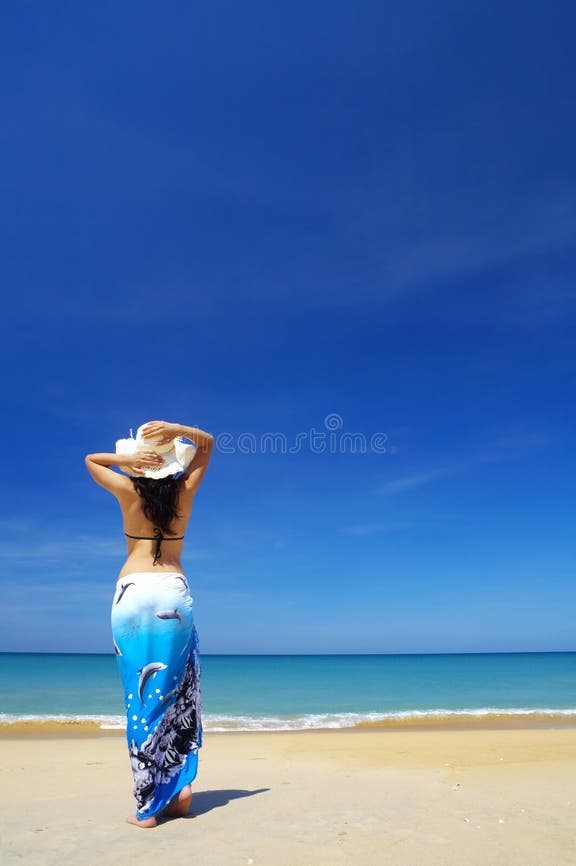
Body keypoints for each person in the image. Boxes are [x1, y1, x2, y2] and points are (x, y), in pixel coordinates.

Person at [85, 419, 214, 828]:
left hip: (133, 593)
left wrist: (126, 460)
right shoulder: (185, 493)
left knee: (140, 700)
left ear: (140, 466)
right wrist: (177, 428)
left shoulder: (126, 491)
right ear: (170, 466)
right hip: (172, 590)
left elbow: (90, 460)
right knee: (179, 691)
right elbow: (208, 445)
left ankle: (147, 808)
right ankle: (177, 790)